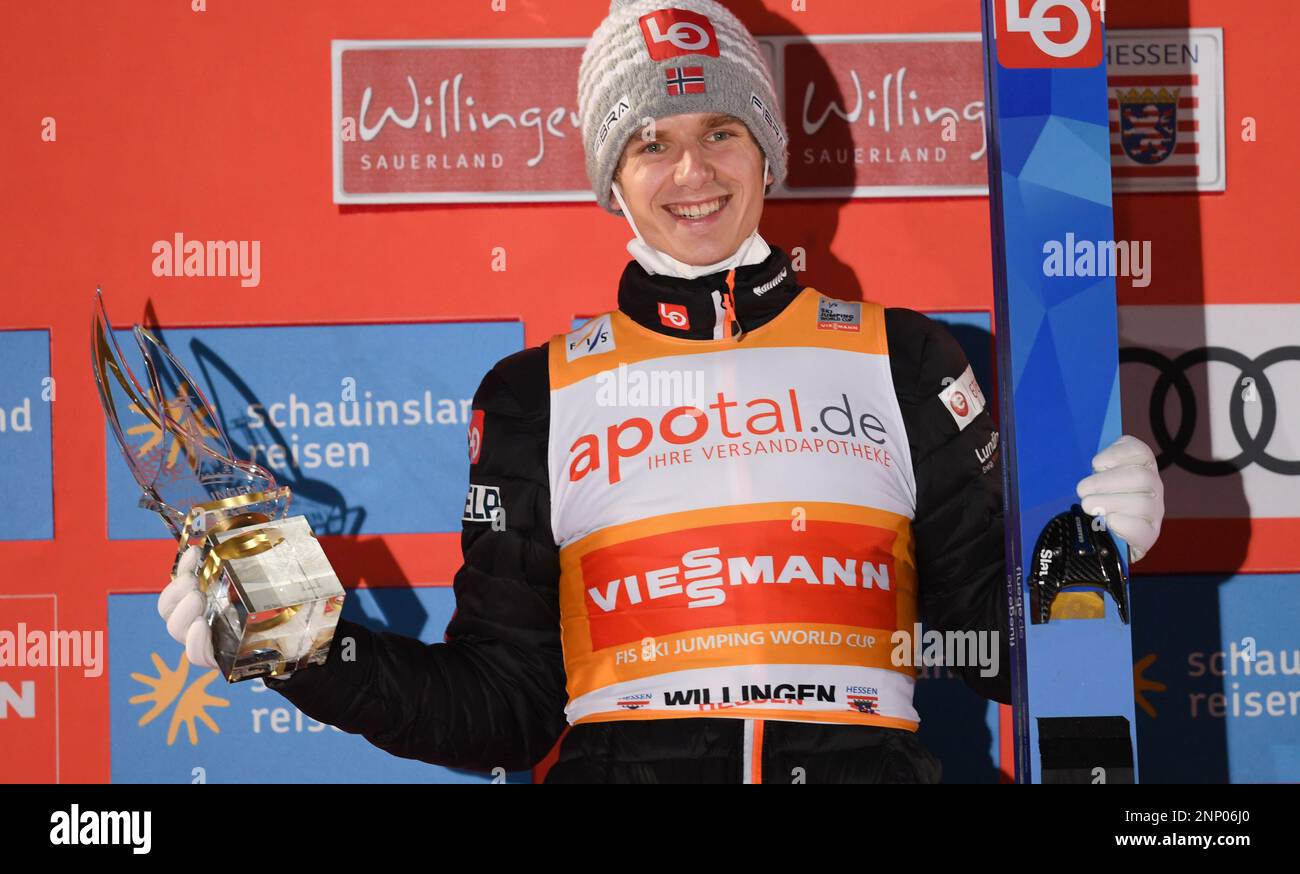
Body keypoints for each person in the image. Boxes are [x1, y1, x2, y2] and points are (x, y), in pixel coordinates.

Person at [158, 0, 1165, 783]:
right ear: (611, 177)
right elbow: (505, 706)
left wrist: (1089, 559)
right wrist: (297, 649)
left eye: (721, 129)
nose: (691, 168)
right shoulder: (534, 395)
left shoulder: (906, 361)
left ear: (766, 147)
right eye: (649, 140)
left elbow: (985, 647)